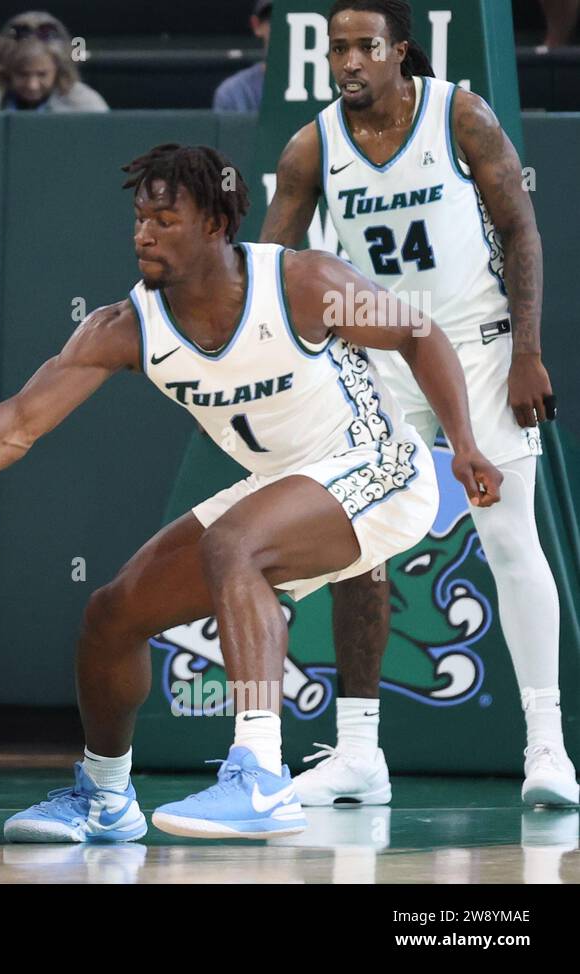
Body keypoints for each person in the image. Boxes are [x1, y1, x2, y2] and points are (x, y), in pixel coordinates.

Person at [0, 144, 498, 842]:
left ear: (217, 224)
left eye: (165, 218)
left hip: (382, 468)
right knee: (110, 616)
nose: (144, 233)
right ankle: (105, 798)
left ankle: (259, 774)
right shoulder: (124, 326)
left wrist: (463, 442)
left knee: (235, 543)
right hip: (281, 484)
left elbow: (417, 332)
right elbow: (15, 425)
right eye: (139, 218)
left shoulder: (303, 283)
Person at [260, 0, 577, 807]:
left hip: (477, 341)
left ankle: (548, 748)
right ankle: (360, 753)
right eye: (337, 49)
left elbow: (521, 228)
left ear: (400, 50)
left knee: (509, 536)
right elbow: (272, 267)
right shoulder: (312, 146)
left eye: (364, 46)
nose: (349, 62)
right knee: (356, 548)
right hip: (377, 359)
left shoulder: (458, 114)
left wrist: (528, 350)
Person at [0, 11, 108, 113]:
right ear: (6, 71)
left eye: (42, 74)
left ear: (59, 69)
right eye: (23, 74)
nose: (32, 85)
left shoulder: (88, 107)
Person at [213, 0, 273, 113]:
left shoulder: (317, 92)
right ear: (257, 25)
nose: (284, 29)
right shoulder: (234, 93)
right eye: (275, 19)